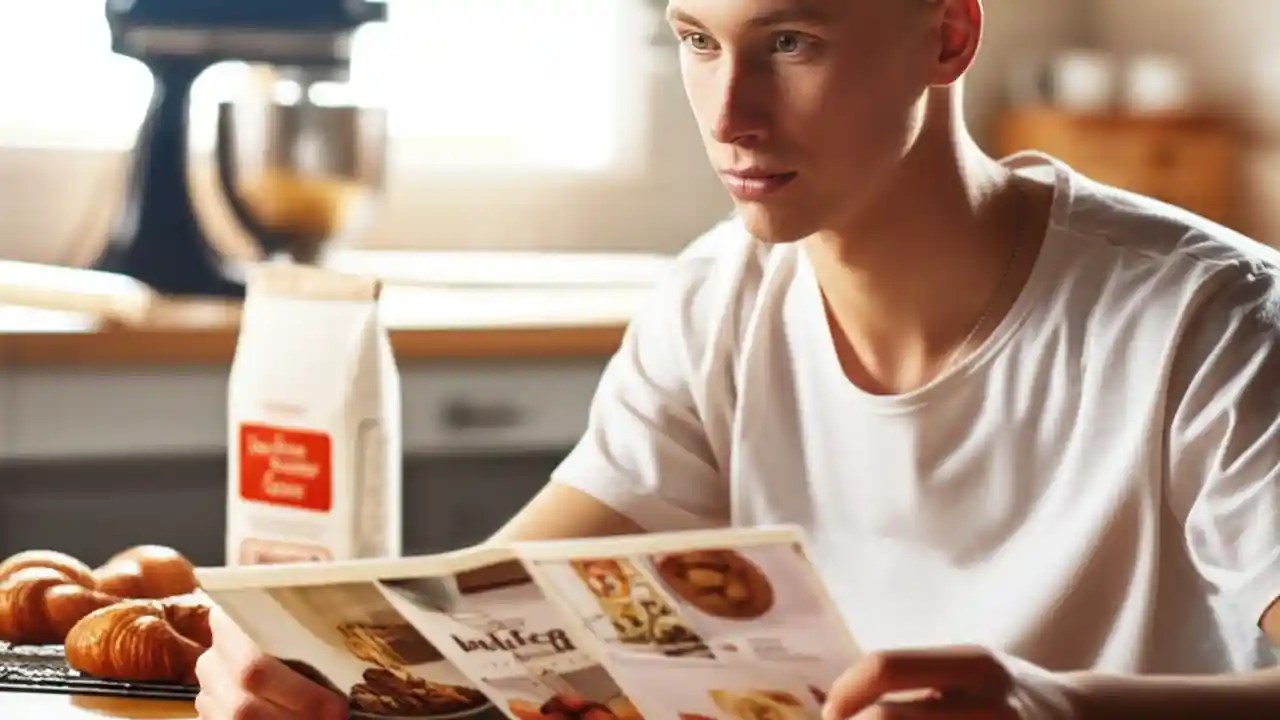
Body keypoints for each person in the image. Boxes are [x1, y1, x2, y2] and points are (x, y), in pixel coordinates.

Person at [194, 0, 1280, 717]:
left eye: (790, 42)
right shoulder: (718, 295)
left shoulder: (1208, 317)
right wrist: (291, 671)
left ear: (947, 36)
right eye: (697, 39)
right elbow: (475, 618)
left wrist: (1052, 706)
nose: (730, 115)